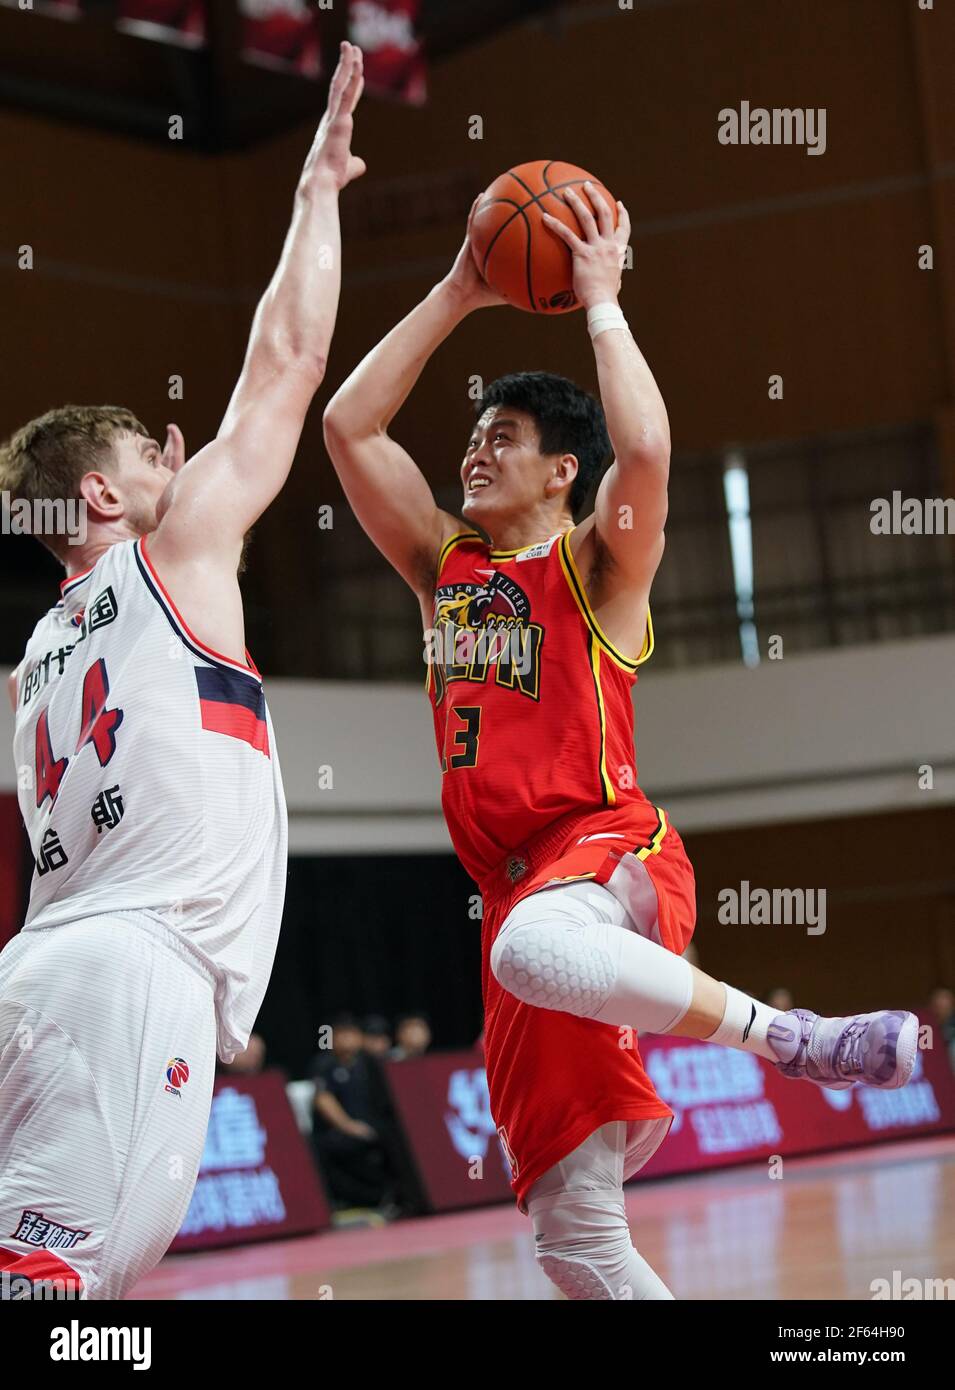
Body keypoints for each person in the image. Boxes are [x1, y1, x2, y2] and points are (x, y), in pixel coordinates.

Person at [322, 182, 919, 1300]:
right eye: (472, 437)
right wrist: (459, 287)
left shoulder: (594, 566)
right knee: (573, 1237)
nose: (473, 455)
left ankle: (788, 1039)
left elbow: (644, 445)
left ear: (560, 472)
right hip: (514, 902)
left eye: (503, 438)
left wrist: (600, 298)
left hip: (609, 854)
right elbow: (348, 426)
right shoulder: (442, 570)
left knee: (529, 946)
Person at [0, 42, 366, 1301]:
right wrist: (317, 190)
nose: (180, 460)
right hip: (130, 975)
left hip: (35, 975)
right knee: (57, 1290)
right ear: (103, 494)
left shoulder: (31, 664)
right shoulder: (176, 552)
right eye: (150, 460)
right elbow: (286, 367)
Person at [310, 1014, 404, 1214]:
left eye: (351, 1034)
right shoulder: (324, 1064)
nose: (347, 1039)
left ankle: (397, 1196)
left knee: (398, 1140)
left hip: (374, 1127)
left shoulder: (370, 1064)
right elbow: (323, 1100)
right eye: (341, 1034)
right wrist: (349, 1126)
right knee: (323, 1149)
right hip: (337, 1131)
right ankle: (349, 1199)